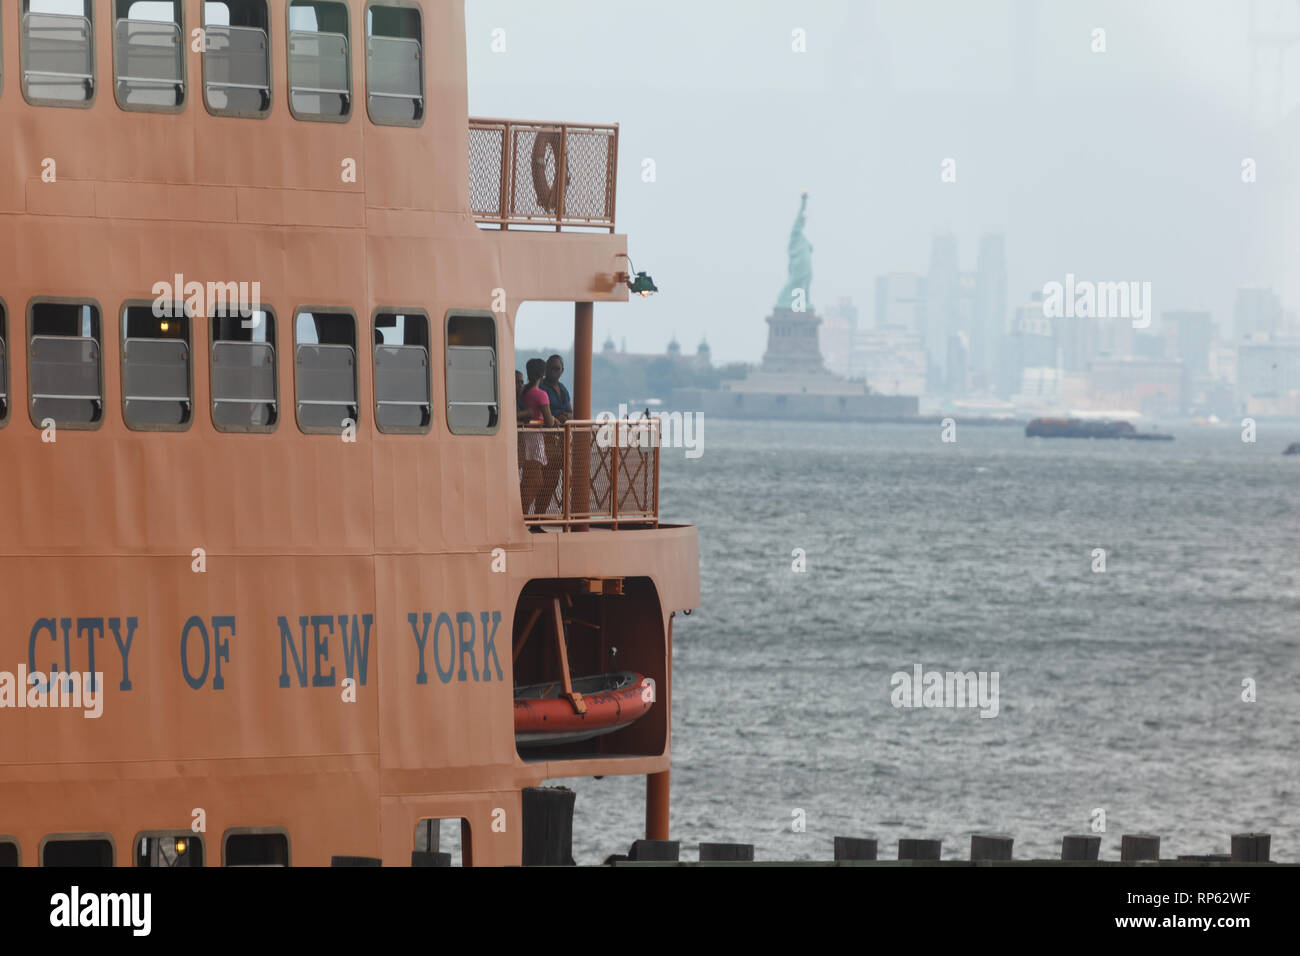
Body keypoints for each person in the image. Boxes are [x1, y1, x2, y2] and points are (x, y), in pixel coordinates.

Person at [519, 358, 557, 524]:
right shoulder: (540, 394)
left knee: (532, 479)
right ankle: (524, 516)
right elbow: (548, 421)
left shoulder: (524, 392)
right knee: (533, 480)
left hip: (525, 437)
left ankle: (526, 515)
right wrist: (555, 420)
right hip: (535, 439)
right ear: (542, 373)